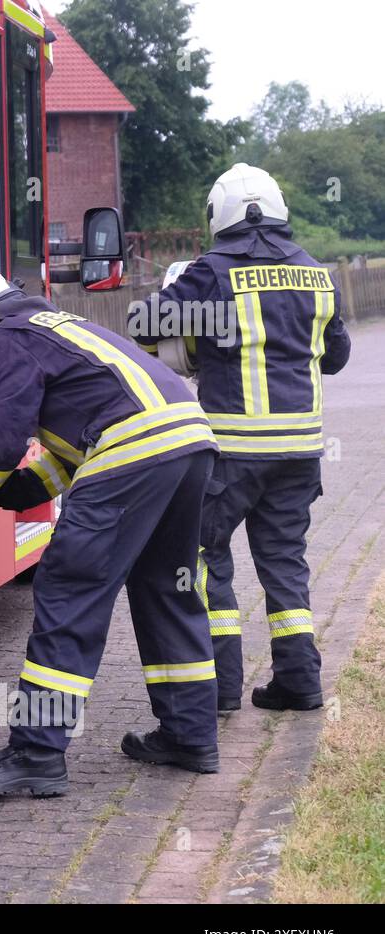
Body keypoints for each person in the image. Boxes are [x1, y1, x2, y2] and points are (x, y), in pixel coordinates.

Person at [0, 269, 221, 799]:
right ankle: (190, 736)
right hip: (187, 443)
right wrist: (21, 490)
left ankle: (36, 753)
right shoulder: (54, 324)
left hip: (136, 449)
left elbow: (5, 441)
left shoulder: (7, 335)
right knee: (168, 591)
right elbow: (76, 441)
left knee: (68, 590)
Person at [130, 164, 351, 711]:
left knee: (206, 560)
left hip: (232, 453)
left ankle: (222, 688)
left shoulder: (213, 272)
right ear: (278, 211)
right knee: (284, 563)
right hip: (300, 453)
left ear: (219, 216)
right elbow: (339, 356)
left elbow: (144, 325)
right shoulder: (319, 275)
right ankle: (299, 682)